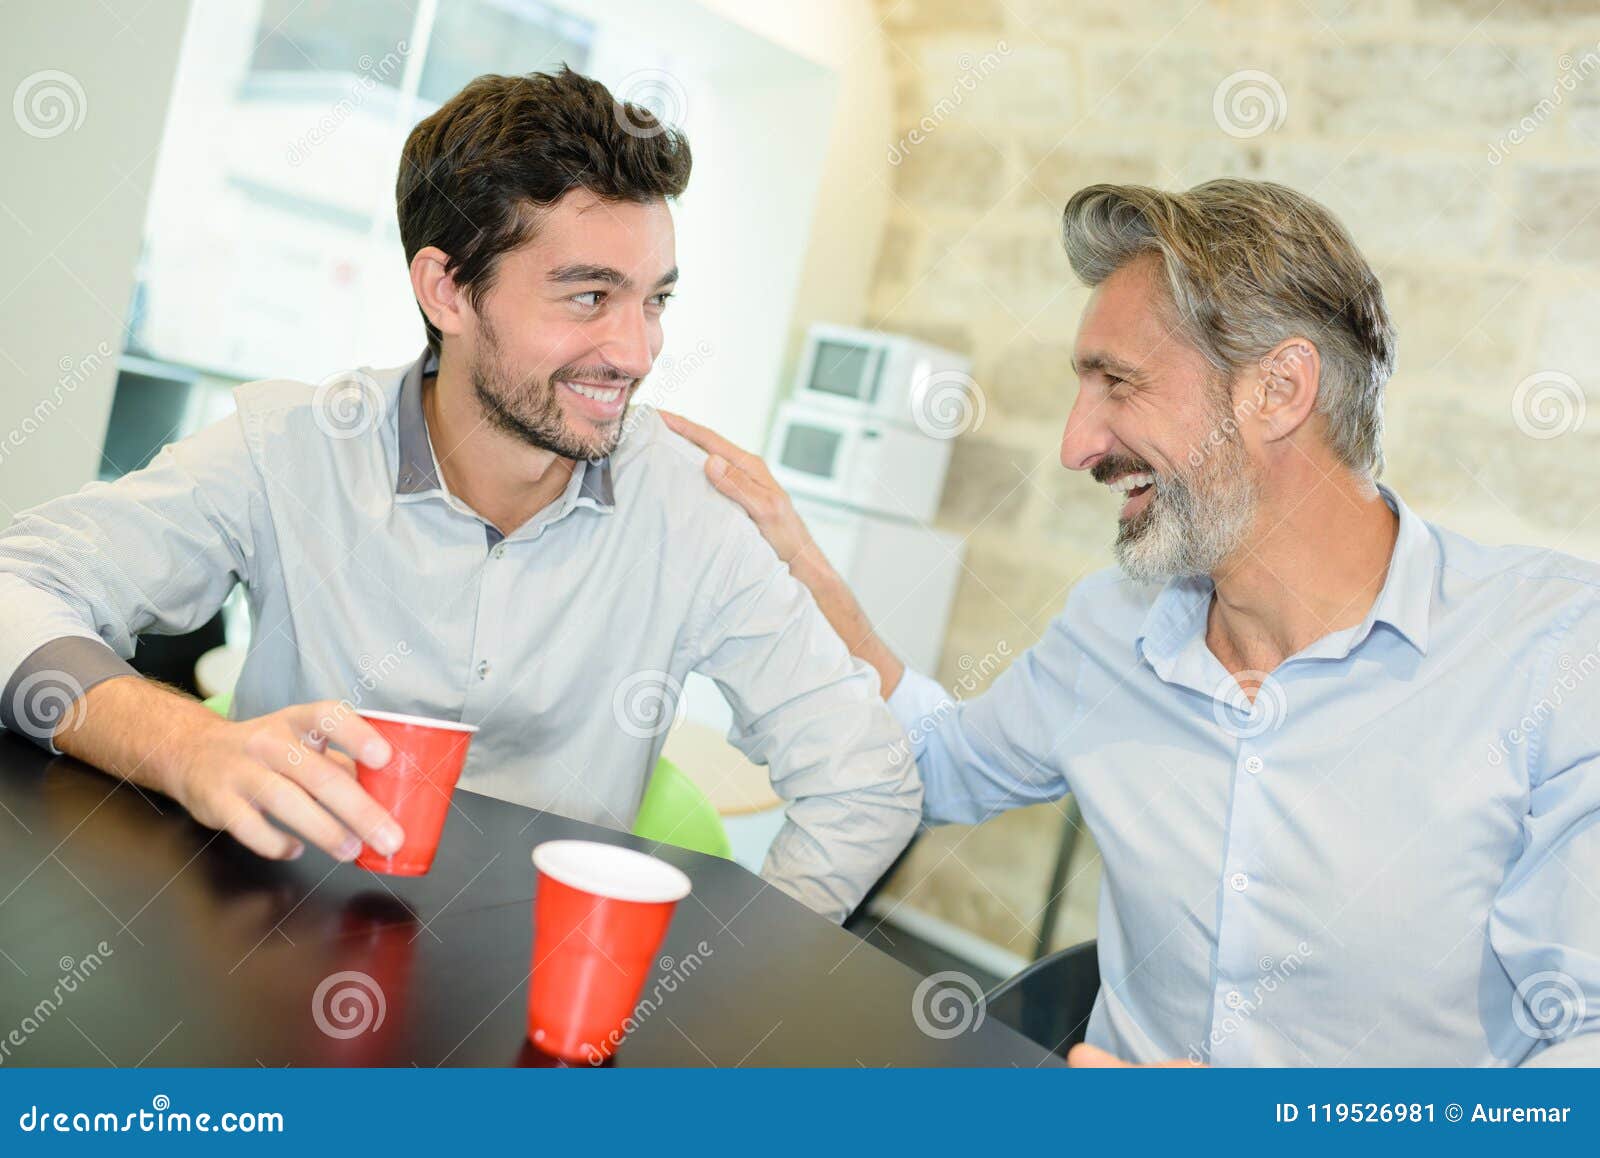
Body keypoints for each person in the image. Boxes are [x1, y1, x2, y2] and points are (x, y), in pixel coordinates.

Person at [663, 178, 1600, 1064]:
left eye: (1118, 384)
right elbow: (928, 767)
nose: (1078, 445)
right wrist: (796, 558)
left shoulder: (1554, 649)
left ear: (1279, 390)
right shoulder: (1115, 628)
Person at [0, 69, 921, 924]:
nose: (638, 353)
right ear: (446, 289)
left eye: (655, 301)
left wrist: (714, 996)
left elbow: (866, 779)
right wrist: (185, 745)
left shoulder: (691, 512)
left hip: (541, 1011)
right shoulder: (287, 448)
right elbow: (15, 590)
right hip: (269, 950)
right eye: (590, 297)